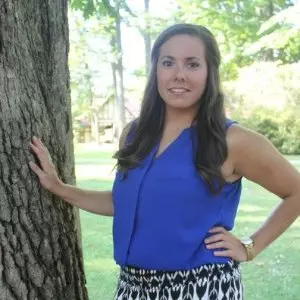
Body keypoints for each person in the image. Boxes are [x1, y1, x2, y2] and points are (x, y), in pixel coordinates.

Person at [29, 24, 300, 300]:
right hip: (133, 287)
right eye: (168, 62)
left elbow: (296, 191)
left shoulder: (232, 140)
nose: (178, 75)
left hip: (202, 287)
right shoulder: (135, 135)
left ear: (209, 73)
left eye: (192, 64)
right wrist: (59, 187)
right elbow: (126, 204)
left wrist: (250, 247)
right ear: (156, 70)